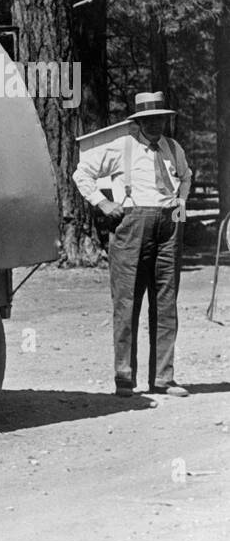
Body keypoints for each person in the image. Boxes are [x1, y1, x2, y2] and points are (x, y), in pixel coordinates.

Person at [73, 91, 192, 398]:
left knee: (166, 303)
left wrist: (180, 205)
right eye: (149, 120)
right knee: (127, 303)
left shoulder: (173, 148)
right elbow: (81, 173)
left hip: (169, 226)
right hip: (132, 225)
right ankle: (124, 378)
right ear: (138, 122)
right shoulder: (121, 147)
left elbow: (186, 177)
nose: (156, 126)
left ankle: (164, 378)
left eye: (160, 119)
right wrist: (102, 203)